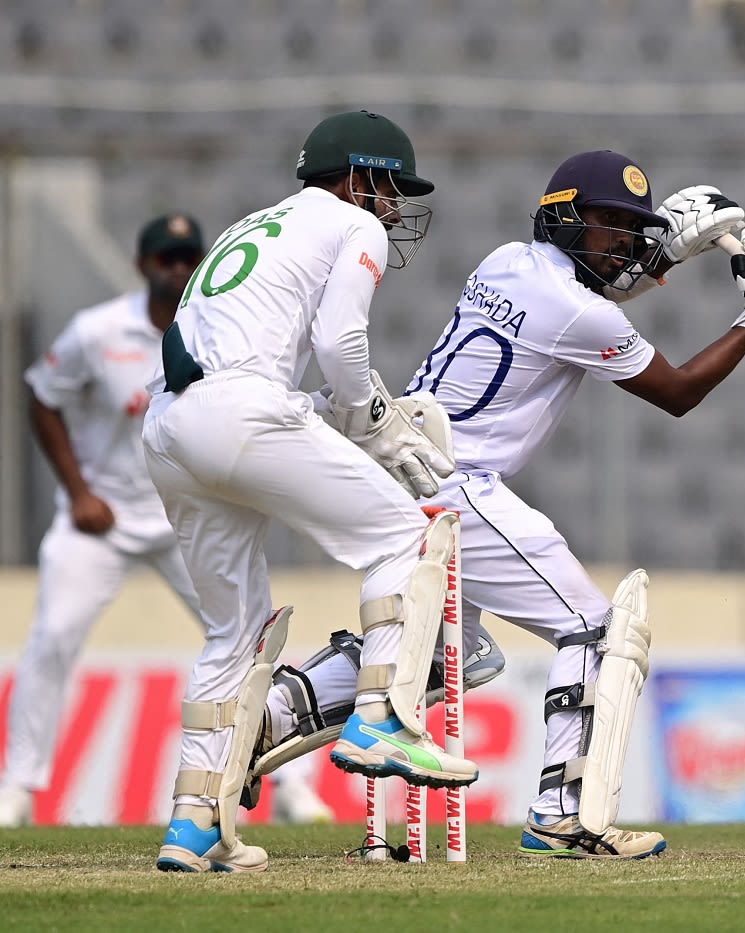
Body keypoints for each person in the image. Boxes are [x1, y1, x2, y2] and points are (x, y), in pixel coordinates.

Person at [253, 149, 745, 859]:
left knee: (453, 654)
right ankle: (562, 815)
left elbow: (596, 300)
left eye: (630, 228)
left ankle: (274, 714)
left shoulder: (508, 261)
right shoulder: (579, 311)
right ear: (565, 216)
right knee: (594, 629)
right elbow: (676, 392)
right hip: (458, 482)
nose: (621, 241)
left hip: (409, 469)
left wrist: (666, 250)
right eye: (608, 223)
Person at [141, 109, 477, 873]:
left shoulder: (251, 225)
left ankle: (194, 826)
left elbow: (267, 359)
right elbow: (340, 345)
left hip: (168, 424)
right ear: (358, 178)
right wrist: (373, 424)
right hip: (241, 411)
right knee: (403, 537)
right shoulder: (352, 224)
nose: (393, 207)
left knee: (233, 633)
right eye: (388, 188)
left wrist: (353, 414)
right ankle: (380, 715)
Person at [0, 216, 210, 828]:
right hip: (101, 517)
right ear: (143, 263)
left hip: (180, 515)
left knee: (248, 635)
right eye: (165, 257)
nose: (177, 267)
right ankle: (16, 787)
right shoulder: (97, 330)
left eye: (186, 257)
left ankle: (293, 785)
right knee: (54, 638)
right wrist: (79, 490)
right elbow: (42, 393)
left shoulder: (217, 329)